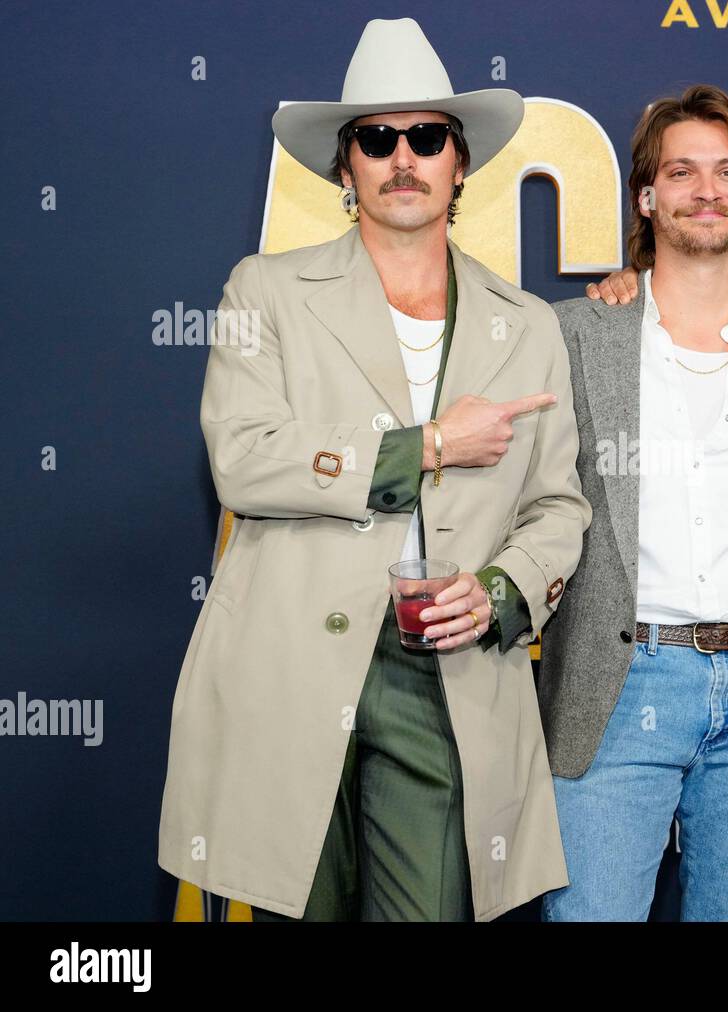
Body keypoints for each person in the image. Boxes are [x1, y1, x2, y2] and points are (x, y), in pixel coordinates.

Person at [157, 17, 590, 922]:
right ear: (344, 166)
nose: (404, 157)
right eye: (378, 138)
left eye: (426, 137)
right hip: (286, 664)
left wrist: (505, 590)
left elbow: (557, 505)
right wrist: (429, 445)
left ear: (459, 163)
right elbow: (241, 458)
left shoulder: (530, 323)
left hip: (446, 668)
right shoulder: (264, 291)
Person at [539, 85, 728, 921]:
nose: (706, 190)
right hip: (616, 684)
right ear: (647, 195)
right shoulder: (574, 333)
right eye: (681, 172)